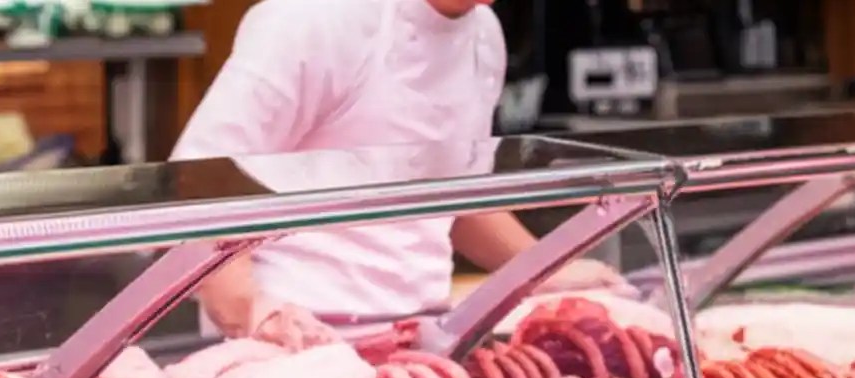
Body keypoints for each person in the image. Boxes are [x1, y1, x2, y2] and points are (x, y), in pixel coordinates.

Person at [172, 0, 628, 346]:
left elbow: (451, 196)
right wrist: (252, 314)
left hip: (422, 334)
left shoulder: (483, 36)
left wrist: (544, 270)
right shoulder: (316, 17)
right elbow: (198, 183)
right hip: (293, 343)